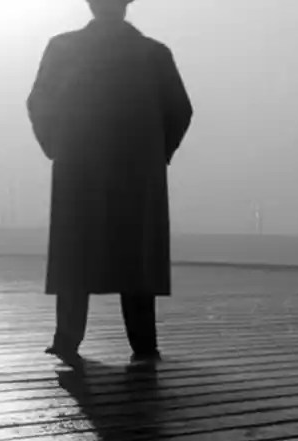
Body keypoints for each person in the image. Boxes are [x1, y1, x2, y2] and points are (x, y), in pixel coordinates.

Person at [27, 0, 193, 368]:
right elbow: (180, 110)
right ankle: (143, 342)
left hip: (78, 169)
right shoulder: (153, 54)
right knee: (135, 257)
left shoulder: (63, 49)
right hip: (136, 173)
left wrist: (57, 148)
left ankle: (67, 338)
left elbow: (39, 103)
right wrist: (156, 154)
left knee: (76, 253)